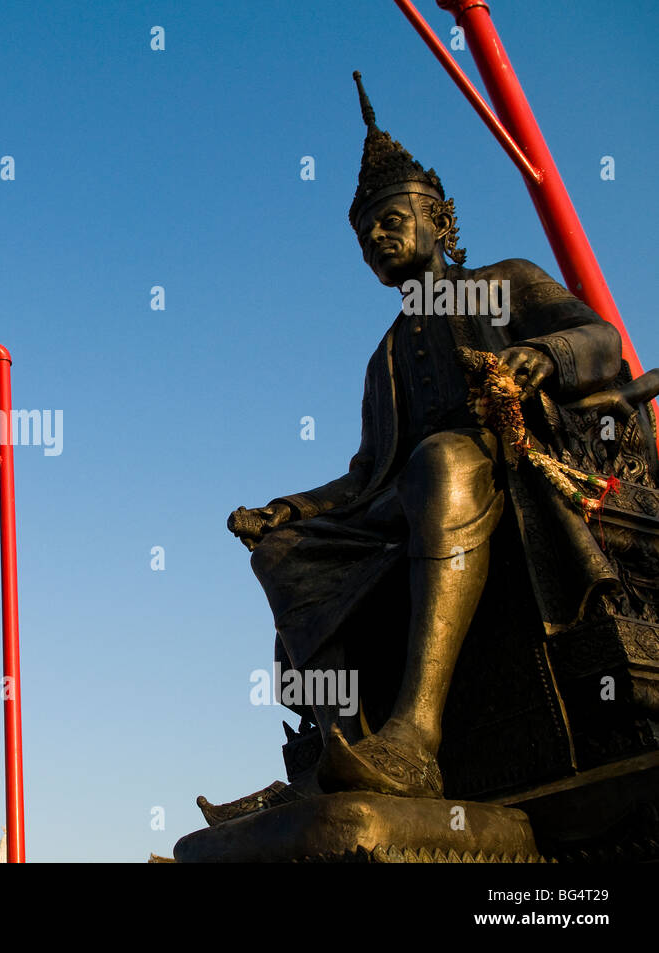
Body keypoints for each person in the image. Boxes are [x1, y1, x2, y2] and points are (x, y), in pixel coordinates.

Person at [228, 72, 625, 801]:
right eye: (364, 233)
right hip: (405, 497)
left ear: (439, 217)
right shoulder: (385, 356)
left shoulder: (506, 281)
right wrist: (288, 509)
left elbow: (601, 339)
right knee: (284, 555)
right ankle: (341, 750)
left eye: (390, 218)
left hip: (503, 459)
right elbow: (363, 476)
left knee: (439, 459)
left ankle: (416, 735)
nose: (377, 238)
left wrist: (544, 356)